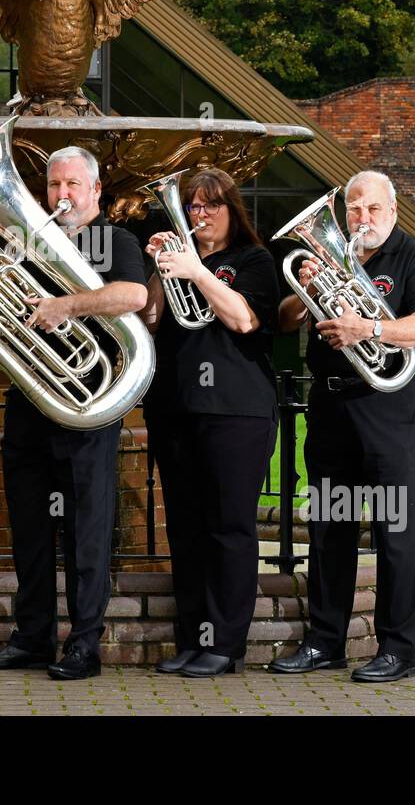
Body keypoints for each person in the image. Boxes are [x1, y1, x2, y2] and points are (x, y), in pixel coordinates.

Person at [0, 145, 148, 680]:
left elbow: (134, 294)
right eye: (53, 186)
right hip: (31, 401)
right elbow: (5, 317)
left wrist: (67, 305)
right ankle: (32, 637)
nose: (62, 195)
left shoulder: (113, 240)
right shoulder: (27, 244)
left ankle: (84, 645)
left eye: (73, 185)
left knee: (86, 531)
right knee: (29, 528)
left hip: (87, 402)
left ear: (95, 191)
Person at [270, 171, 415, 683]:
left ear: (393, 211)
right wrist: (303, 291)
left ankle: (397, 650)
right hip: (331, 411)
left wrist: (366, 328)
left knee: (396, 535)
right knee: (328, 531)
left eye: (372, 209)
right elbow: (283, 319)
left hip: (388, 409)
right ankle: (325, 643)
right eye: (353, 210)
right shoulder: (328, 259)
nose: (362, 219)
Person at [139, 168, 280, 678]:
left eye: (210, 206)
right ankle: (194, 639)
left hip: (235, 411)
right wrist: (159, 268)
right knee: (187, 529)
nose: (199, 215)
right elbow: (152, 320)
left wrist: (196, 271)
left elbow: (243, 320)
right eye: (192, 207)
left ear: (231, 211)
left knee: (229, 528)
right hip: (176, 407)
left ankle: (225, 644)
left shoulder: (254, 260)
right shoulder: (177, 263)